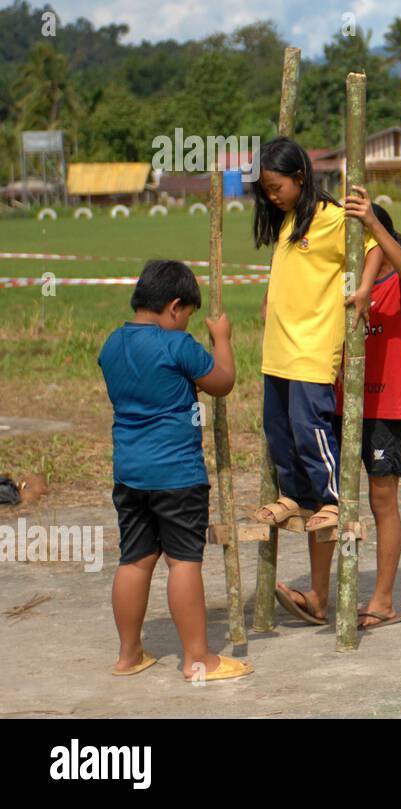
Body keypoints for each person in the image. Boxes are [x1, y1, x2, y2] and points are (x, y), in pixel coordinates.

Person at [248, 136, 381, 626]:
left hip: (310, 351)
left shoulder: (329, 219)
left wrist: (364, 290)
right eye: (264, 189)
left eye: (276, 186)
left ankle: (330, 499)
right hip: (276, 351)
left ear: (300, 178)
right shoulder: (287, 221)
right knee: (278, 430)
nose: (270, 195)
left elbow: (373, 248)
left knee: (311, 430)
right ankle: (295, 496)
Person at [98, 259, 252, 681]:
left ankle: (129, 655)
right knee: (184, 562)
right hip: (177, 475)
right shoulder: (176, 345)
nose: (187, 324)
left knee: (135, 559)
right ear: (174, 306)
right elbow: (221, 381)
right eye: (188, 316)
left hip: (129, 473)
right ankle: (198, 659)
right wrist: (221, 339)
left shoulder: (112, 345)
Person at [332, 188, 401, 631]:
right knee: (332, 501)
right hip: (336, 403)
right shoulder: (345, 288)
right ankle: (322, 593)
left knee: (382, 501)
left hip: (383, 407)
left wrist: (371, 221)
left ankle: (383, 600)